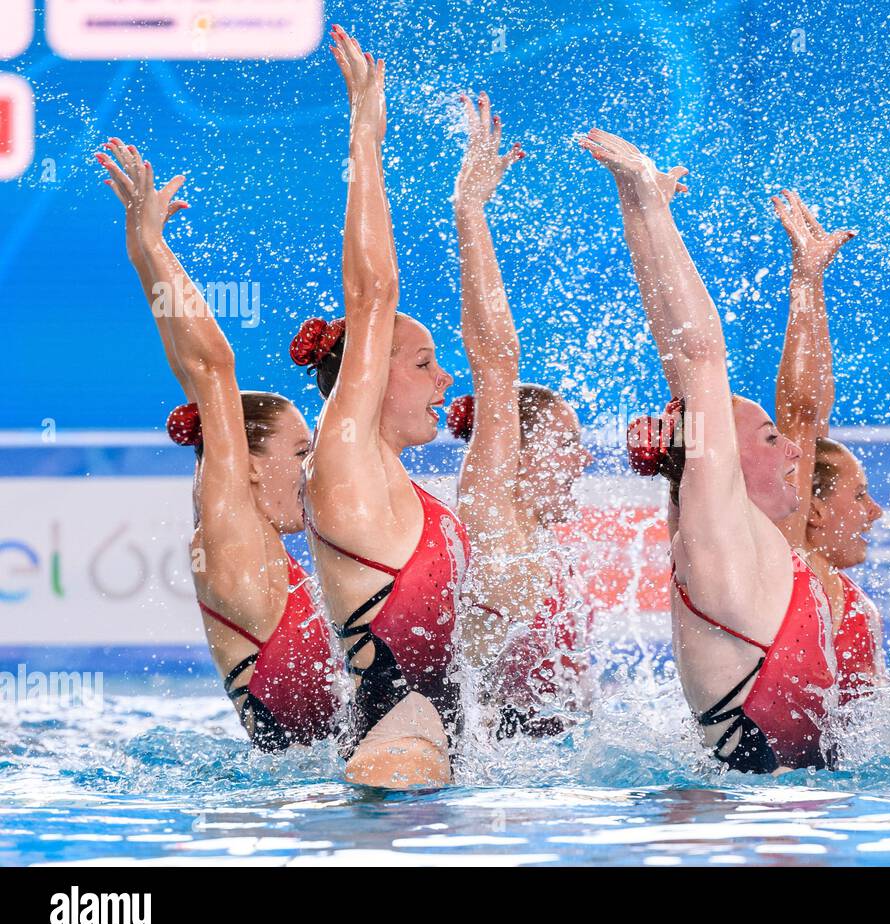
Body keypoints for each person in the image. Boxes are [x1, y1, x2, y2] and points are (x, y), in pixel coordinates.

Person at [584, 128, 837, 773]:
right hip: (754, 819)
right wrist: (644, 193)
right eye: (771, 438)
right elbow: (699, 357)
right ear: (719, 456)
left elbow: (679, 358)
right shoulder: (713, 531)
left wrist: (644, 211)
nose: (792, 452)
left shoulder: (748, 535)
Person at [99, 138, 337, 751]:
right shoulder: (233, 543)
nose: (315, 471)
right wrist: (153, 246)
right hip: (295, 815)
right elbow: (211, 370)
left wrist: (141, 254)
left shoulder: (264, 555)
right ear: (248, 468)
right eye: (300, 453)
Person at [293, 26, 469, 788]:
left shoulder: (399, 486)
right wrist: (367, 133)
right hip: (399, 738)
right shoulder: (346, 455)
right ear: (368, 377)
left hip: (421, 737)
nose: (445, 381)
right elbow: (374, 293)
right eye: (425, 363)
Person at [448, 91, 593, 739]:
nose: (585, 458)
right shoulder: (492, 521)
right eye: (567, 444)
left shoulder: (541, 547)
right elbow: (495, 361)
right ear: (516, 455)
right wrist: (471, 212)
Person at [770, 189, 885, 705]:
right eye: (859, 496)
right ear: (812, 509)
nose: (876, 511)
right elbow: (801, 416)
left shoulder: (848, 596)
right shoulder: (783, 566)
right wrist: (807, 281)